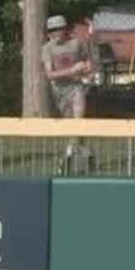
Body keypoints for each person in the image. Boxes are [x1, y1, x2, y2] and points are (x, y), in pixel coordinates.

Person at [41, 14, 95, 173]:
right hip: (59, 92)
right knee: (73, 127)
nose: (54, 34)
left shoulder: (76, 44)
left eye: (57, 30)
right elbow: (49, 75)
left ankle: (68, 155)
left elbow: (87, 63)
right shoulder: (47, 49)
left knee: (78, 122)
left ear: (64, 30)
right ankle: (86, 153)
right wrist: (71, 70)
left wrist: (87, 69)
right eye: (51, 31)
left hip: (76, 88)